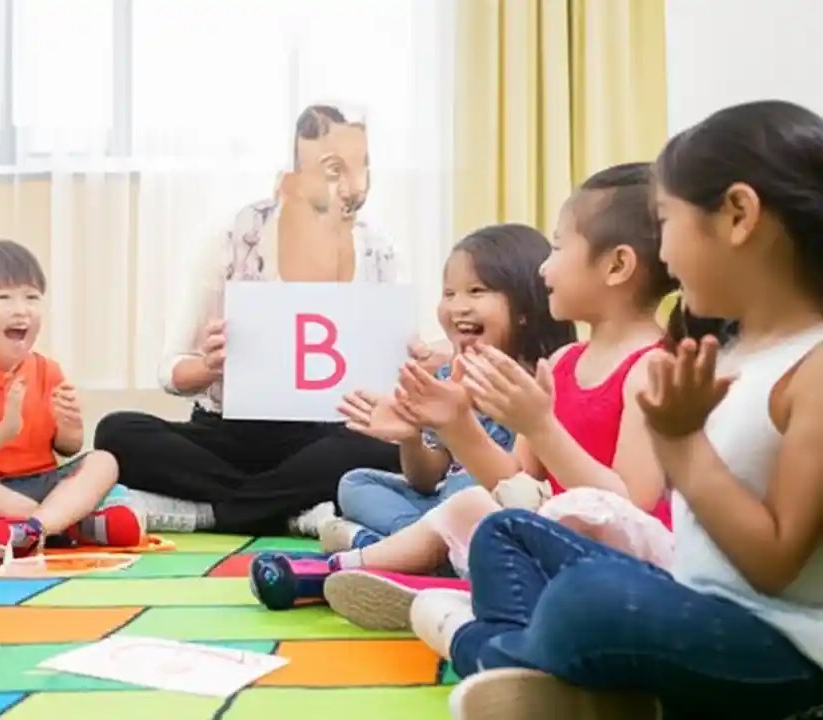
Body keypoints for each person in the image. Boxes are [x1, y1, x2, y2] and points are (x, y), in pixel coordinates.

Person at [438, 99, 823, 720]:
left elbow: (776, 564)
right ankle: (550, 674)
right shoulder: (727, 352)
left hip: (779, 650)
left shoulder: (814, 366)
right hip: (689, 599)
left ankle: (487, 649)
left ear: (738, 215)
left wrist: (682, 445)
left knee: (593, 598)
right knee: (507, 531)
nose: (663, 254)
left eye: (667, 221)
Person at [320, 162, 682, 631]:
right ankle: (346, 568)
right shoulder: (568, 361)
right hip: (548, 543)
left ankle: (443, 591)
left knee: (553, 514)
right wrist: (457, 425)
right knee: (471, 505)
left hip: (624, 570)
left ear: (617, 265)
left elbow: (628, 508)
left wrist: (540, 427)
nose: (544, 268)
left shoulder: (652, 367)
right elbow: (513, 480)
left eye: (556, 247)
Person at [93, 104, 407, 536]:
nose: (351, 186)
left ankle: (216, 514)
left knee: (383, 451)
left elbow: (383, 376)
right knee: (117, 432)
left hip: (322, 437)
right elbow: (170, 370)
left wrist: (408, 361)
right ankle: (291, 508)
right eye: (333, 170)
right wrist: (207, 367)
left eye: (361, 167)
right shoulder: (232, 237)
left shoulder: (377, 251)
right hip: (229, 434)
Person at [245, 224, 575, 611]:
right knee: (356, 482)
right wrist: (411, 436)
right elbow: (426, 478)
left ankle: (390, 551)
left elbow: (520, 485)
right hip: (440, 507)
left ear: (524, 307)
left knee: (467, 500)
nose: (457, 306)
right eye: (449, 293)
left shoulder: (532, 382)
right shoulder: (444, 375)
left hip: (486, 507)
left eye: (477, 291)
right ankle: (413, 549)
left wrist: (459, 421)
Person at [0, 239, 143, 557]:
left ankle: (36, 527)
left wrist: (71, 426)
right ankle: (64, 522)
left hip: (43, 482)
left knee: (103, 461)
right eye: (3, 297)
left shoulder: (47, 370)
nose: (22, 309)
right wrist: (3, 432)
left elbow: (66, 448)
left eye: (32, 297)